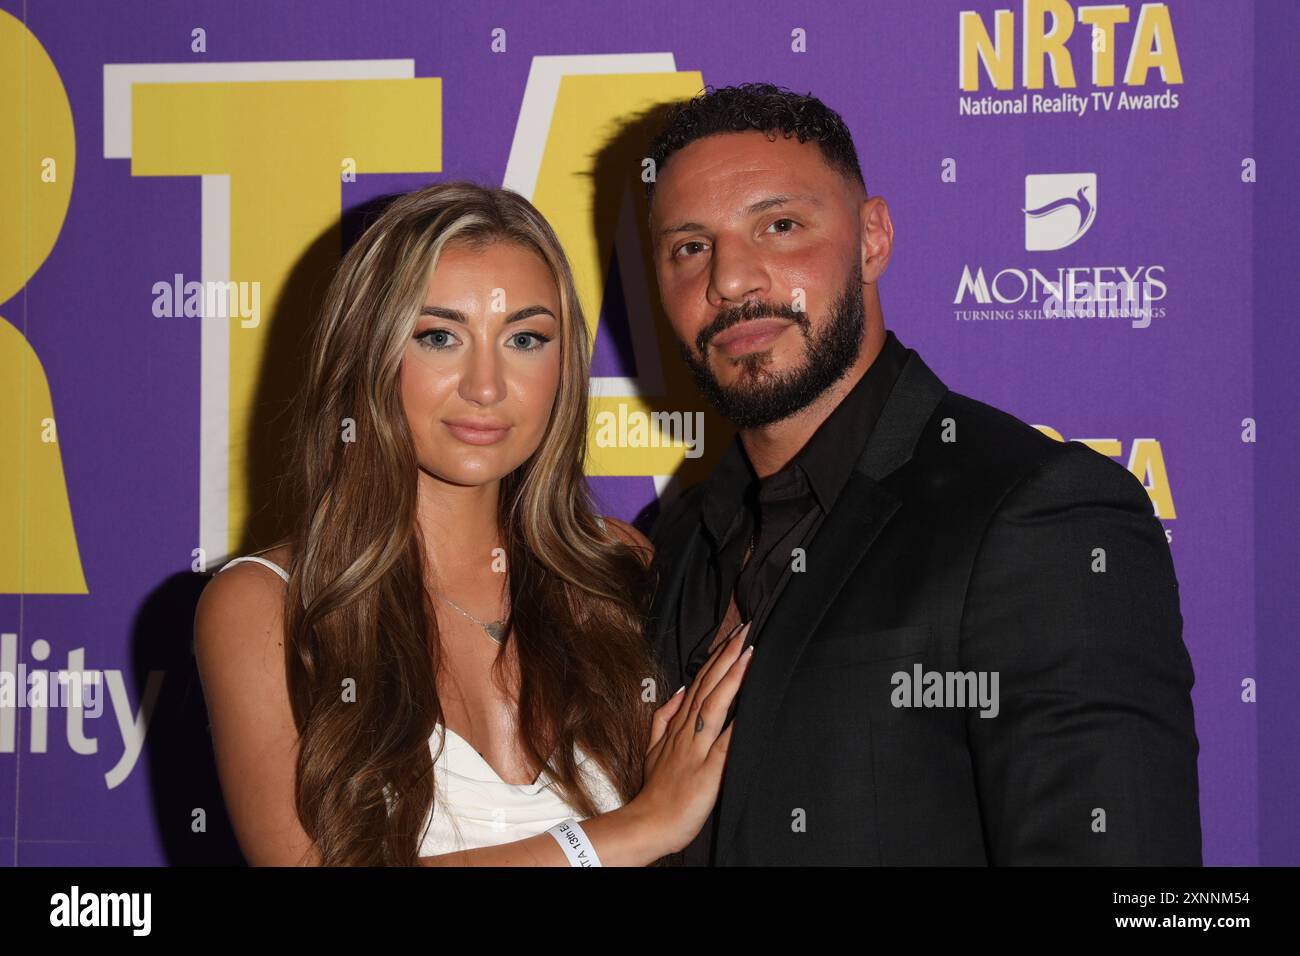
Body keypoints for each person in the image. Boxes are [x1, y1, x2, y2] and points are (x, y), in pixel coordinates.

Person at [641, 83, 1202, 865]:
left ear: (872, 239)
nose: (731, 279)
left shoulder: (1038, 514)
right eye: (690, 247)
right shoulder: (666, 544)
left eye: (780, 225)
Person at [194, 181, 752, 866]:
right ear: (367, 353)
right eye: (439, 336)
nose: (485, 386)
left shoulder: (614, 571)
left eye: (524, 338)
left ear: (563, 366)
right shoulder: (267, 605)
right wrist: (630, 831)